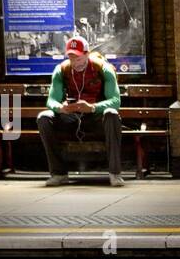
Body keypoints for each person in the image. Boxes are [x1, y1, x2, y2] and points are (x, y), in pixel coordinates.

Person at [37, 36, 124, 187]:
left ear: (87, 54)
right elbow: (51, 101)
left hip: (96, 118)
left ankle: (115, 173)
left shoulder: (103, 69)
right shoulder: (62, 70)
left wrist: (92, 107)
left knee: (112, 114)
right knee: (44, 117)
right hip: (71, 118)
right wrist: (61, 108)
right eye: (71, 58)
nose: (75, 63)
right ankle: (58, 173)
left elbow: (116, 101)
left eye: (78, 58)